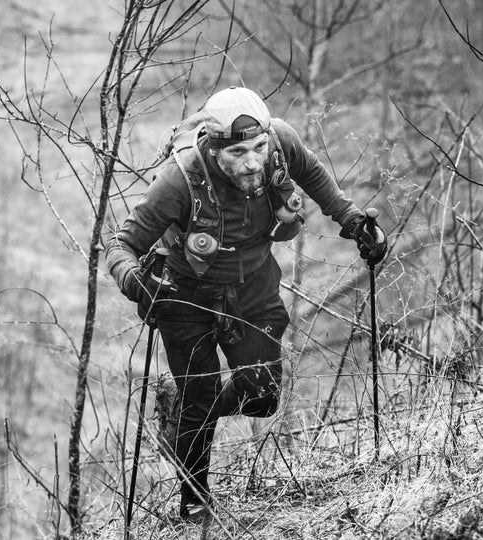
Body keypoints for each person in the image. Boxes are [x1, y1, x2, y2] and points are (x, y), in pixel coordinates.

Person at [105, 86, 386, 522]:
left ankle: (184, 417)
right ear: (215, 151)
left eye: (258, 147)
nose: (253, 160)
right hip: (185, 294)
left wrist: (351, 220)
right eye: (238, 152)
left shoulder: (281, 142)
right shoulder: (179, 181)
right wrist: (137, 281)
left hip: (253, 286)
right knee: (200, 396)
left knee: (263, 395)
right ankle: (195, 502)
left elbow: (311, 173)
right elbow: (120, 245)